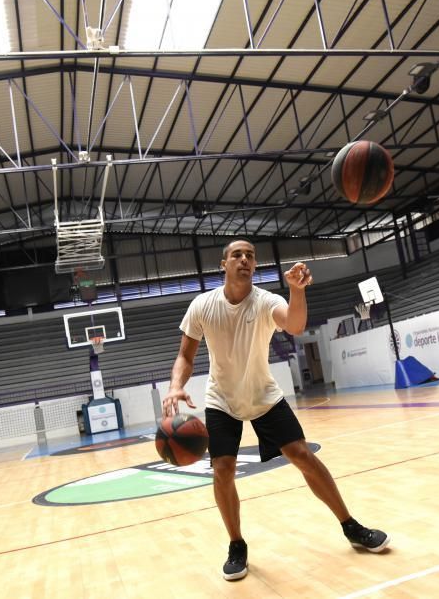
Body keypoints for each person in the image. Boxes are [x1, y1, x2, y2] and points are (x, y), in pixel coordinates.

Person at [162, 239, 389, 581]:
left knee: (302, 454)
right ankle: (237, 545)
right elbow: (185, 355)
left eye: (250, 255)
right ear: (223, 264)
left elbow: (295, 326)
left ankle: (351, 526)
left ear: (255, 266)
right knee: (223, 469)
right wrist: (176, 385)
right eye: (237, 255)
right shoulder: (202, 305)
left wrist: (297, 291)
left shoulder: (267, 301)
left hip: (263, 394)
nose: (244, 259)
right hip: (221, 398)